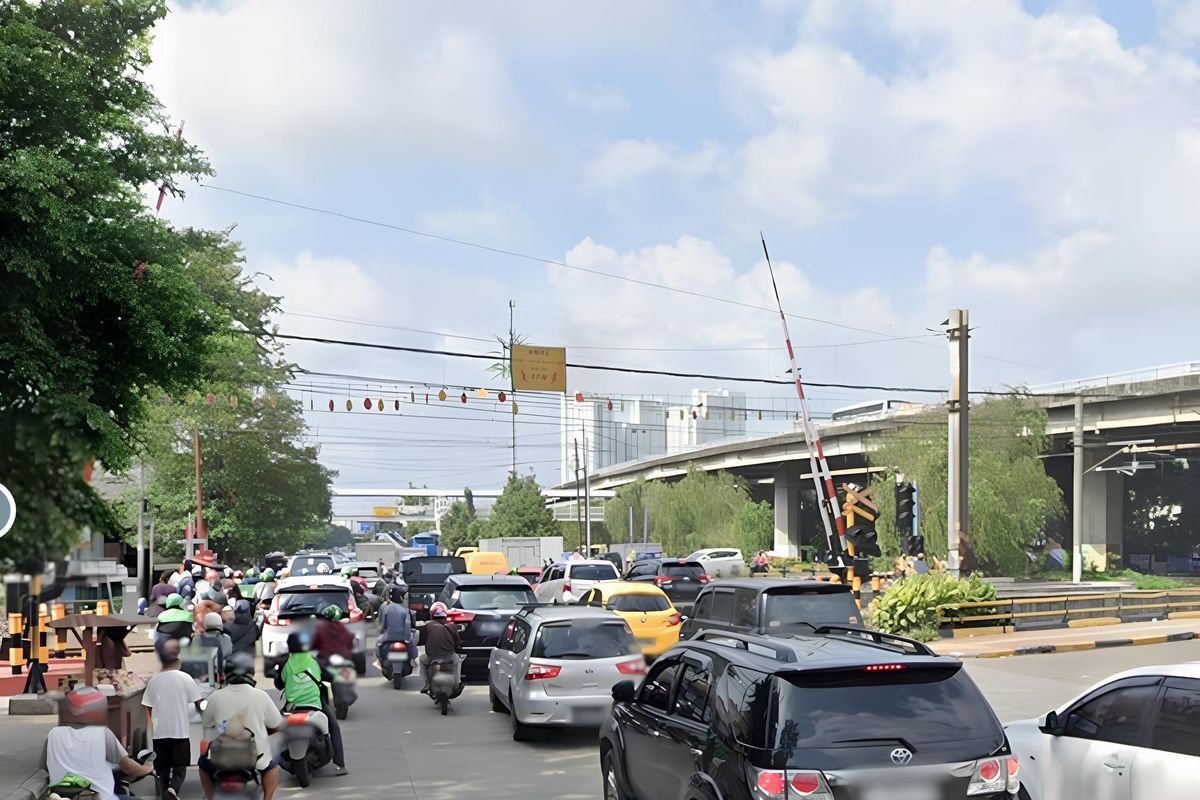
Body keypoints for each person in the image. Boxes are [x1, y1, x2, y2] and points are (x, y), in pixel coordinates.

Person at [42, 687, 154, 800]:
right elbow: (128, 767)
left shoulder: (53, 734)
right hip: (99, 795)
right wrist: (147, 768)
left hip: (61, 794)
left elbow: (45, 767)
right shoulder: (102, 733)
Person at [198, 652, 283, 800]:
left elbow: (207, 723)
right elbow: (276, 724)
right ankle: (267, 798)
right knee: (272, 765)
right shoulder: (261, 696)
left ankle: (209, 796)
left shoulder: (216, 696)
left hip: (222, 756)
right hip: (256, 757)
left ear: (226, 673)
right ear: (251, 672)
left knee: (203, 764)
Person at [273, 632, 347, 776]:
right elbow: (331, 677)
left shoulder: (285, 663)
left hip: (292, 708)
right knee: (334, 727)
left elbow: (279, 685)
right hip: (315, 705)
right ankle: (340, 764)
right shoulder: (315, 662)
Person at [142, 639, 202, 799]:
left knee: (161, 768)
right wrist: (205, 714)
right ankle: (173, 790)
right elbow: (198, 702)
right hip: (179, 732)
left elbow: (146, 704)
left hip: (159, 733)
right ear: (178, 662)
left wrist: (150, 722)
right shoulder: (185, 678)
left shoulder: (154, 680)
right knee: (180, 767)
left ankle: (164, 792)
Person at [418, 601, 462, 695]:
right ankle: (457, 682)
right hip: (449, 656)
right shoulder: (452, 626)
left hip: (432, 657)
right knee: (458, 660)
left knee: (422, 659)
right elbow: (457, 643)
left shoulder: (427, 626)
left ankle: (426, 684)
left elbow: (421, 640)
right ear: (445, 615)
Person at [376, 584, 412, 668]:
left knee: (378, 643)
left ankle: (378, 661)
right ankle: (413, 660)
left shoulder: (385, 608)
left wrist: (382, 632)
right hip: (402, 637)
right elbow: (407, 625)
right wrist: (407, 638)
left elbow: (382, 624)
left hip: (388, 636)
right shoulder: (405, 610)